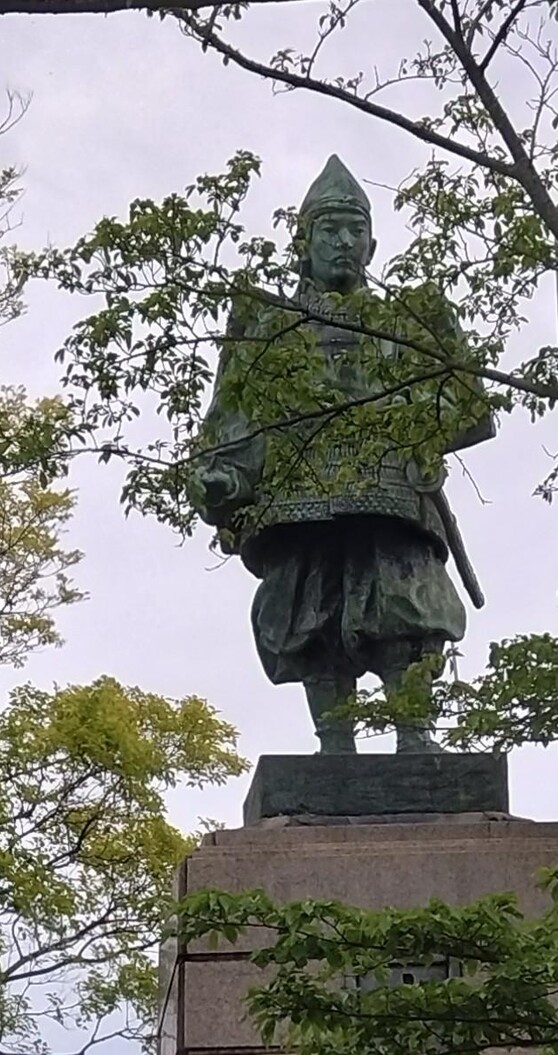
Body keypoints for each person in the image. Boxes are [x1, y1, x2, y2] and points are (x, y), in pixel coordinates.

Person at [188, 154, 491, 754]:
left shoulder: (410, 321)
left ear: (372, 245)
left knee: (406, 608)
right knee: (311, 613)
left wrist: (417, 428)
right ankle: (334, 741)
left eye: (356, 230)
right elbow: (232, 422)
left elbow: (468, 406)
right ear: (303, 244)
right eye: (330, 230)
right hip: (300, 497)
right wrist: (221, 479)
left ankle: (414, 734)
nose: (344, 243)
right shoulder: (267, 325)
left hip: (391, 492)